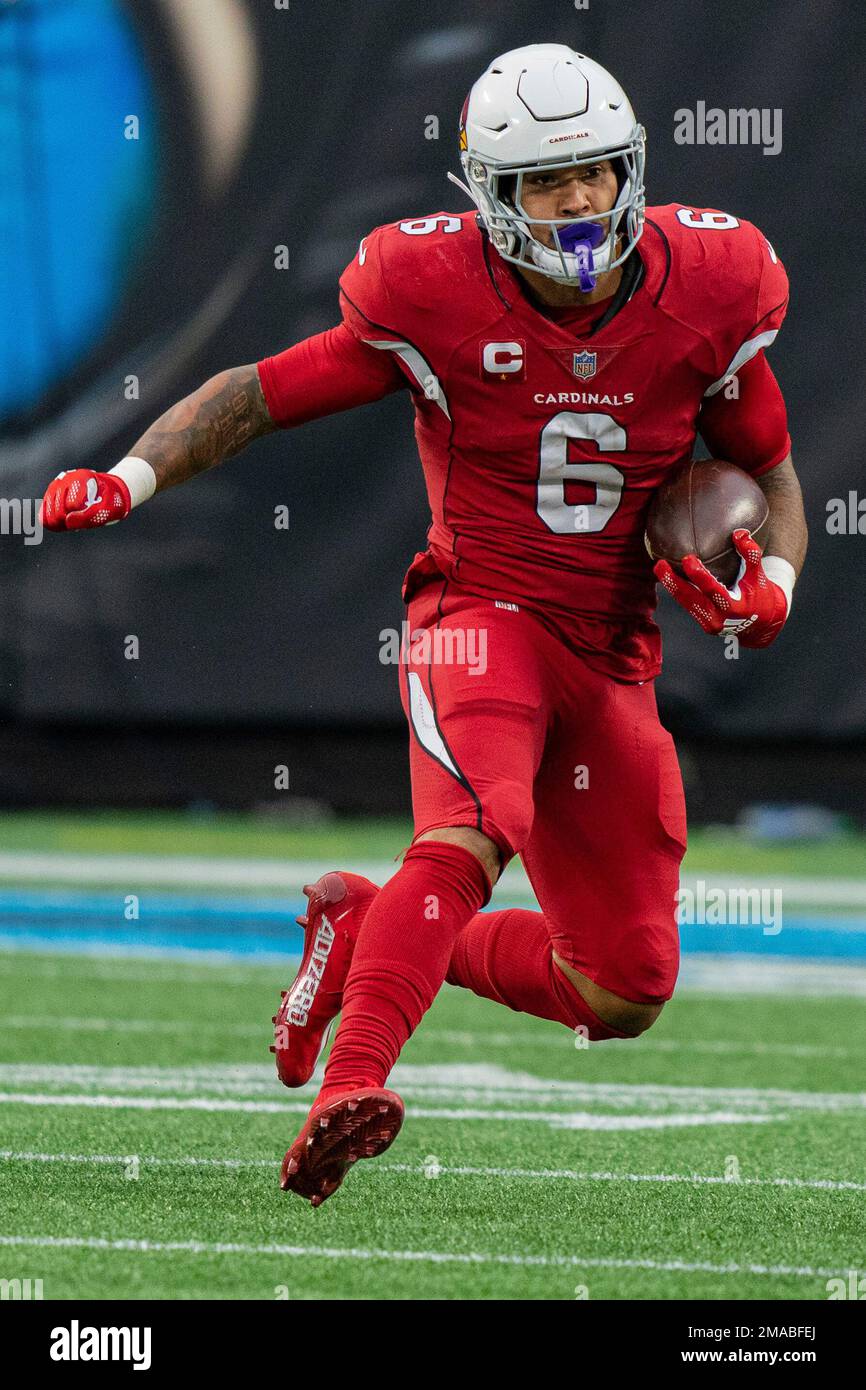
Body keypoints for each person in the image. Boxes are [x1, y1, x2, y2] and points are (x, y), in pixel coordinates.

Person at [41, 44, 807, 1207]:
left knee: (625, 987)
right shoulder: (428, 289)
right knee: (476, 824)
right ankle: (351, 1085)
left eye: (597, 174)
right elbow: (258, 391)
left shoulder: (712, 279)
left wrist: (774, 586)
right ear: (488, 197)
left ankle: (364, 922)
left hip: (611, 648)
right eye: (548, 184)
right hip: (477, 613)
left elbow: (768, 470)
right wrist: (132, 478)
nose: (581, 203)